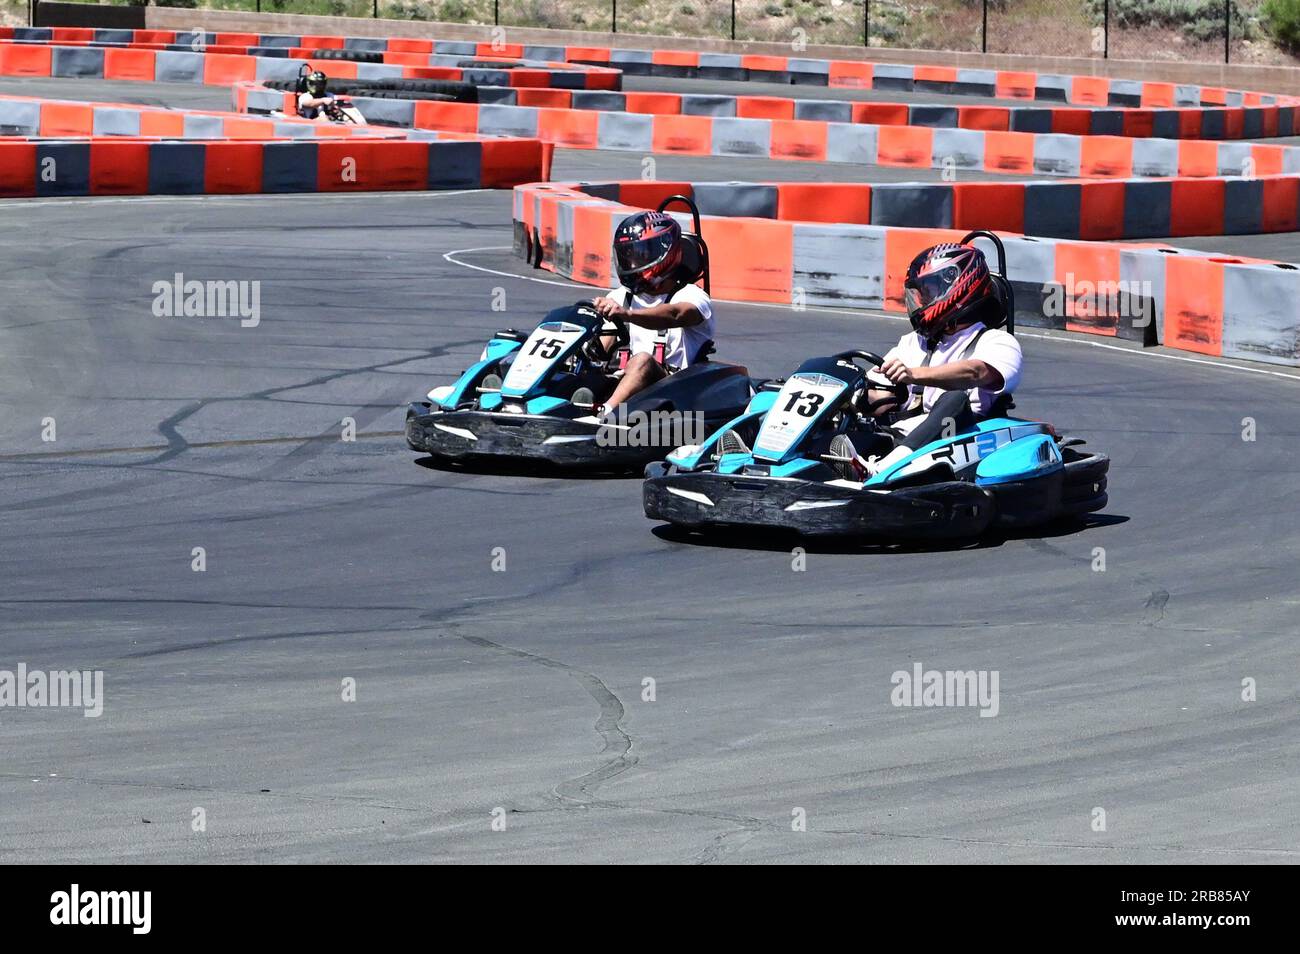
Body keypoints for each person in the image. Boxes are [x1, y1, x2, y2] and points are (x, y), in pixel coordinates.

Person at [835, 241, 1023, 478]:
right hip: (900, 437)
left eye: (928, 290)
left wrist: (913, 374)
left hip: (958, 438)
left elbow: (976, 373)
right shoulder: (914, 342)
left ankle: (883, 471)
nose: (921, 300)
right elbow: (880, 392)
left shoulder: (996, 341)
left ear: (958, 285)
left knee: (954, 399)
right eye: (919, 293)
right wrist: (850, 396)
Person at [589, 210, 714, 415]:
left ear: (663, 254)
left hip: (673, 389)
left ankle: (604, 415)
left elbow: (674, 314)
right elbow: (601, 350)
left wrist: (627, 315)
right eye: (627, 256)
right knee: (582, 362)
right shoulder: (621, 296)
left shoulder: (693, 296)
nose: (631, 263)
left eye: (639, 255)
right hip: (622, 380)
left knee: (643, 360)